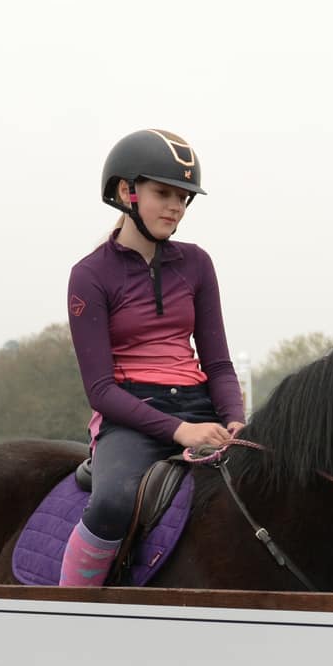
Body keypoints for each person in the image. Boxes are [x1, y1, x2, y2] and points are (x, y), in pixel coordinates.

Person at [60, 129, 245, 587]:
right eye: (163, 193)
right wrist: (181, 431)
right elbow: (100, 391)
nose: (176, 207)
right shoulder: (89, 276)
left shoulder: (197, 264)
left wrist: (236, 419)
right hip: (130, 417)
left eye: (183, 197)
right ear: (127, 192)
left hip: (199, 404)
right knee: (112, 503)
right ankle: (66, 611)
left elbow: (218, 364)